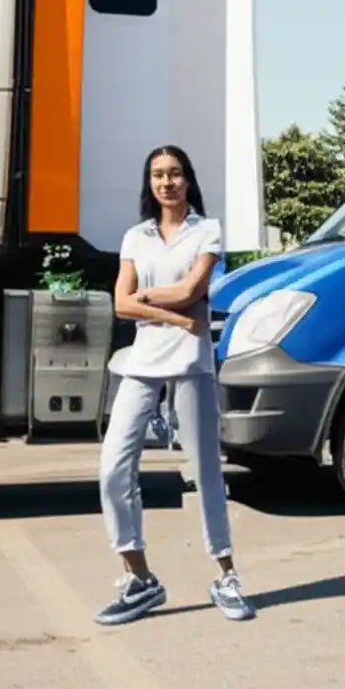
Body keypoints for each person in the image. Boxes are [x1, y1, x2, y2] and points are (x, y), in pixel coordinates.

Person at [94, 145, 256, 626]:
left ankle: (226, 575)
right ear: (150, 184)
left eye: (175, 174)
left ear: (188, 180)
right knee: (113, 467)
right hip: (143, 362)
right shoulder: (136, 236)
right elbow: (120, 306)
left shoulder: (207, 230)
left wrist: (146, 297)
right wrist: (170, 315)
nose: (167, 182)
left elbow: (191, 290)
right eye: (158, 175)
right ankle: (140, 578)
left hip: (191, 362)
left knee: (205, 471)